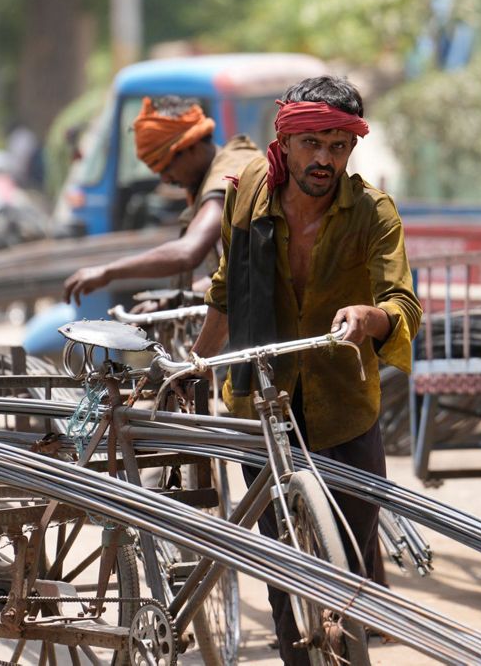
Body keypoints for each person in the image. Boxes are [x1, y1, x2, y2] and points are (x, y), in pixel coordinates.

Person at [189, 75, 421, 665]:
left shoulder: (373, 212)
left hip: (344, 406)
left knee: (352, 566)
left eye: (338, 146)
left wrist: (370, 317)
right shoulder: (245, 196)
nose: (325, 159)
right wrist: (196, 363)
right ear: (285, 141)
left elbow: (404, 304)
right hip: (260, 402)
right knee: (282, 569)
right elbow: (226, 289)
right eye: (312, 143)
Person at [62, 96, 259, 305]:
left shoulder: (224, 178)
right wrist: (167, 301)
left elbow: (188, 251)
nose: (165, 179)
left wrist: (108, 272)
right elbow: (231, 277)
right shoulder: (232, 157)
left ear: (191, 146)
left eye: (166, 167)